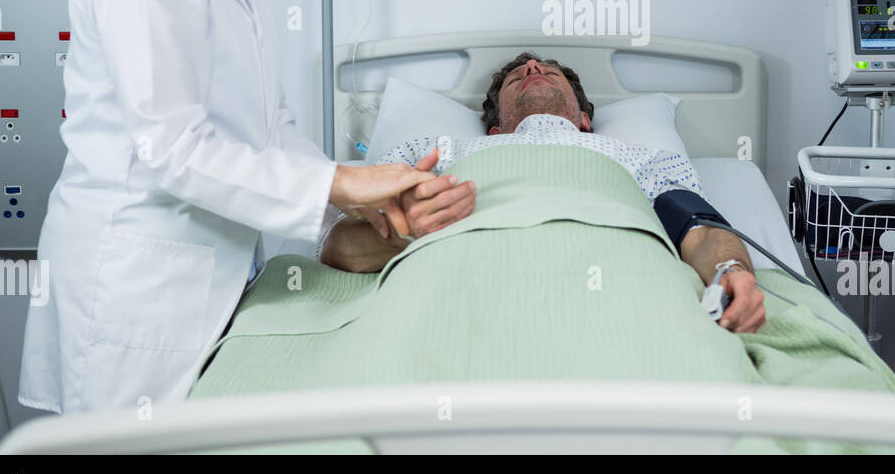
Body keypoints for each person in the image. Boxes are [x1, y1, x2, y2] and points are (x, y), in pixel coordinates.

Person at [18, 0, 449, 413]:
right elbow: (173, 150)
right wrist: (338, 183)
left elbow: (270, 127)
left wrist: (354, 207)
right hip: (134, 287)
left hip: (206, 282)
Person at [320, 52, 767, 333]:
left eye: (548, 71)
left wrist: (732, 271)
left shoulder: (643, 157)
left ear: (586, 120)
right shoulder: (436, 153)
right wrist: (405, 233)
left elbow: (702, 230)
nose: (533, 68)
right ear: (495, 130)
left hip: (623, 292)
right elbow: (338, 247)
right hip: (459, 296)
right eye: (518, 76)